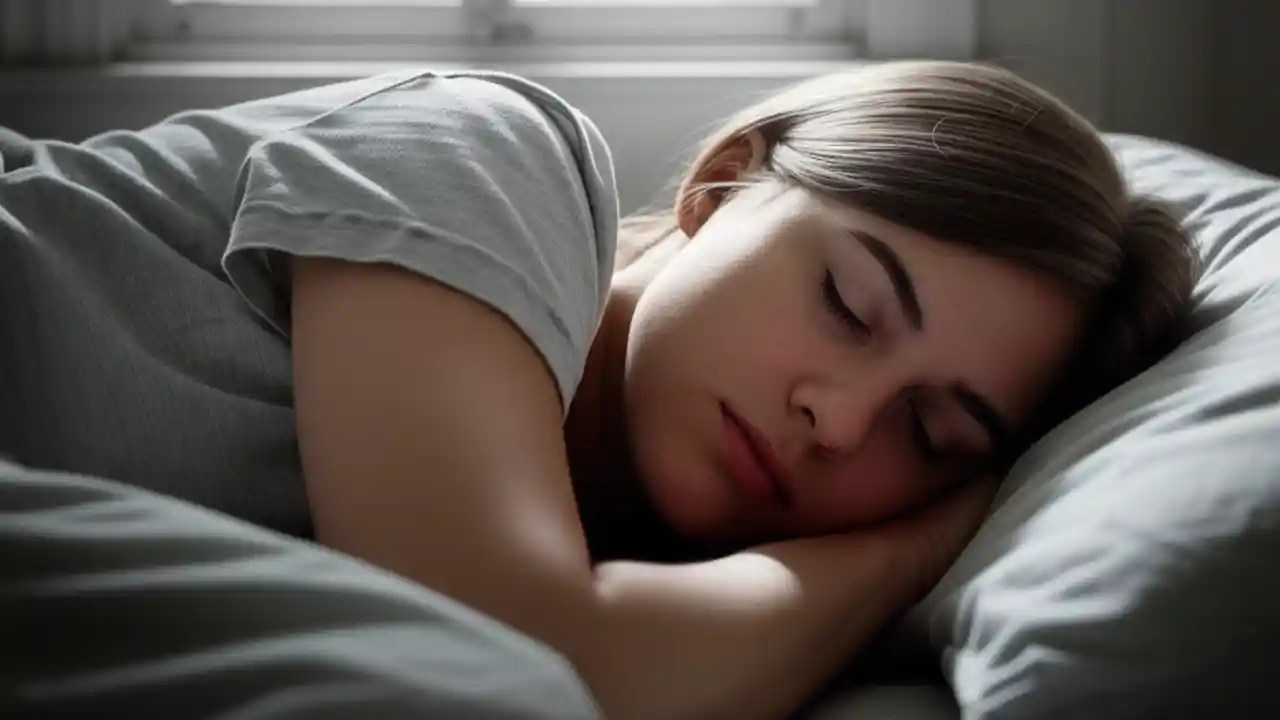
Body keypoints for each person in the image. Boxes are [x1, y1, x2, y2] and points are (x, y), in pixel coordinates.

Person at [0, 61, 1198, 719]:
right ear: (722, 185)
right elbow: (523, 658)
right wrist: (918, 539)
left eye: (927, 434)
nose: (837, 421)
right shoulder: (490, 151)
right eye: (846, 302)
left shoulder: (689, 598)